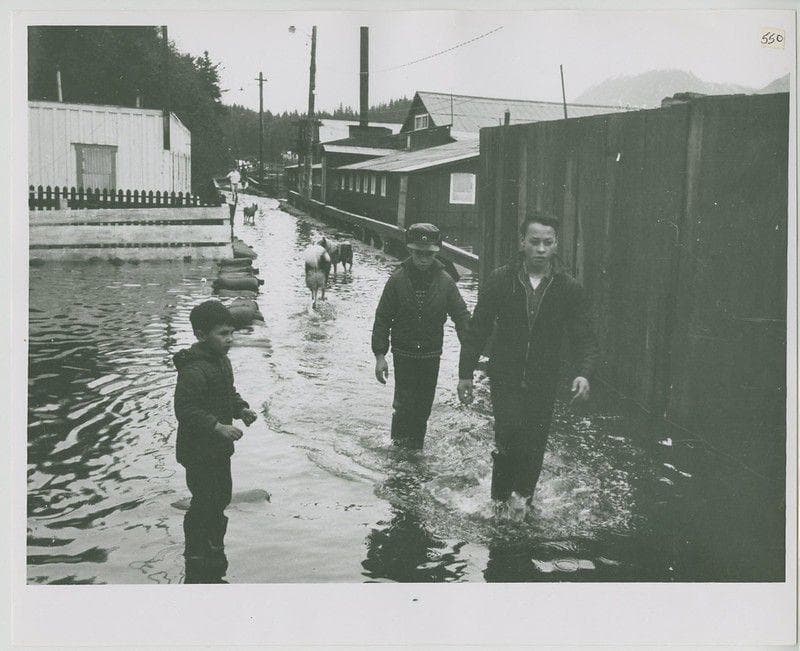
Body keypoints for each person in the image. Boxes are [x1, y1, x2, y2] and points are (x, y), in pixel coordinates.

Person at [457, 211, 599, 515]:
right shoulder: (501, 279)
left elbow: (583, 337)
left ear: (556, 244)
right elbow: (477, 328)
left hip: (544, 379)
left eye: (548, 242)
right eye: (534, 241)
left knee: (534, 442)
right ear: (522, 242)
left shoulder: (568, 288)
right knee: (508, 435)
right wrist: (464, 373)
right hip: (505, 376)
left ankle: (522, 500)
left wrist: (584, 374)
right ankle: (497, 503)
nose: (541, 249)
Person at [173, 300, 258, 580]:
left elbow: (228, 393)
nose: (229, 339)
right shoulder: (193, 370)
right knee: (203, 500)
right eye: (223, 334)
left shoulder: (222, 362)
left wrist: (241, 408)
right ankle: (197, 551)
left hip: (219, 451)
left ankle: (214, 542)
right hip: (198, 451)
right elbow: (185, 410)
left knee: (221, 495)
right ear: (201, 335)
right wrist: (217, 427)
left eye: (231, 333)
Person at [372, 223, 470, 450]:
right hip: (403, 353)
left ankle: (415, 451)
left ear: (436, 252)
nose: (423, 259)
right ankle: (397, 450)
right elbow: (382, 318)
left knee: (423, 406)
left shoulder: (446, 282)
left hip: (430, 354)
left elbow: (462, 317)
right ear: (410, 251)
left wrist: (470, 354)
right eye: (418, 253)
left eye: (428, 254)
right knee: (403, 405)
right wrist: (380, 356)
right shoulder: (397, 279)